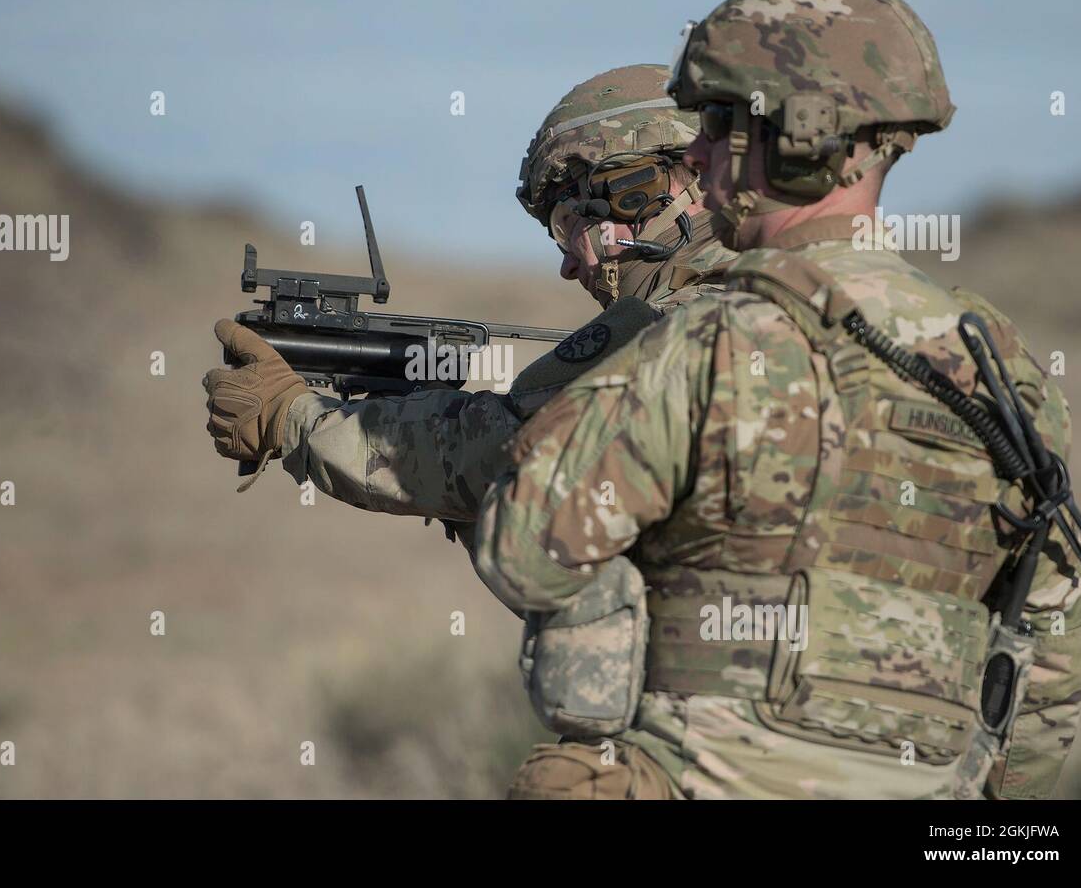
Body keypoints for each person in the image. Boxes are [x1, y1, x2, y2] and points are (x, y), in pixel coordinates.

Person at [472, 0, 1081, 799]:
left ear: (794, 136)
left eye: (718, 123)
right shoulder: (999, 364)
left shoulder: (702, 340)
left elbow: (525, 553)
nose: (693, 152)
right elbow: (1049, 657)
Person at [204, 64, 735, 536]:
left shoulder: (704, 320)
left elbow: (512, 452)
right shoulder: (757, 291)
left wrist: (298, 421)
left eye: (567, 222)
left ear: (634, 190)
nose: (568, 264)